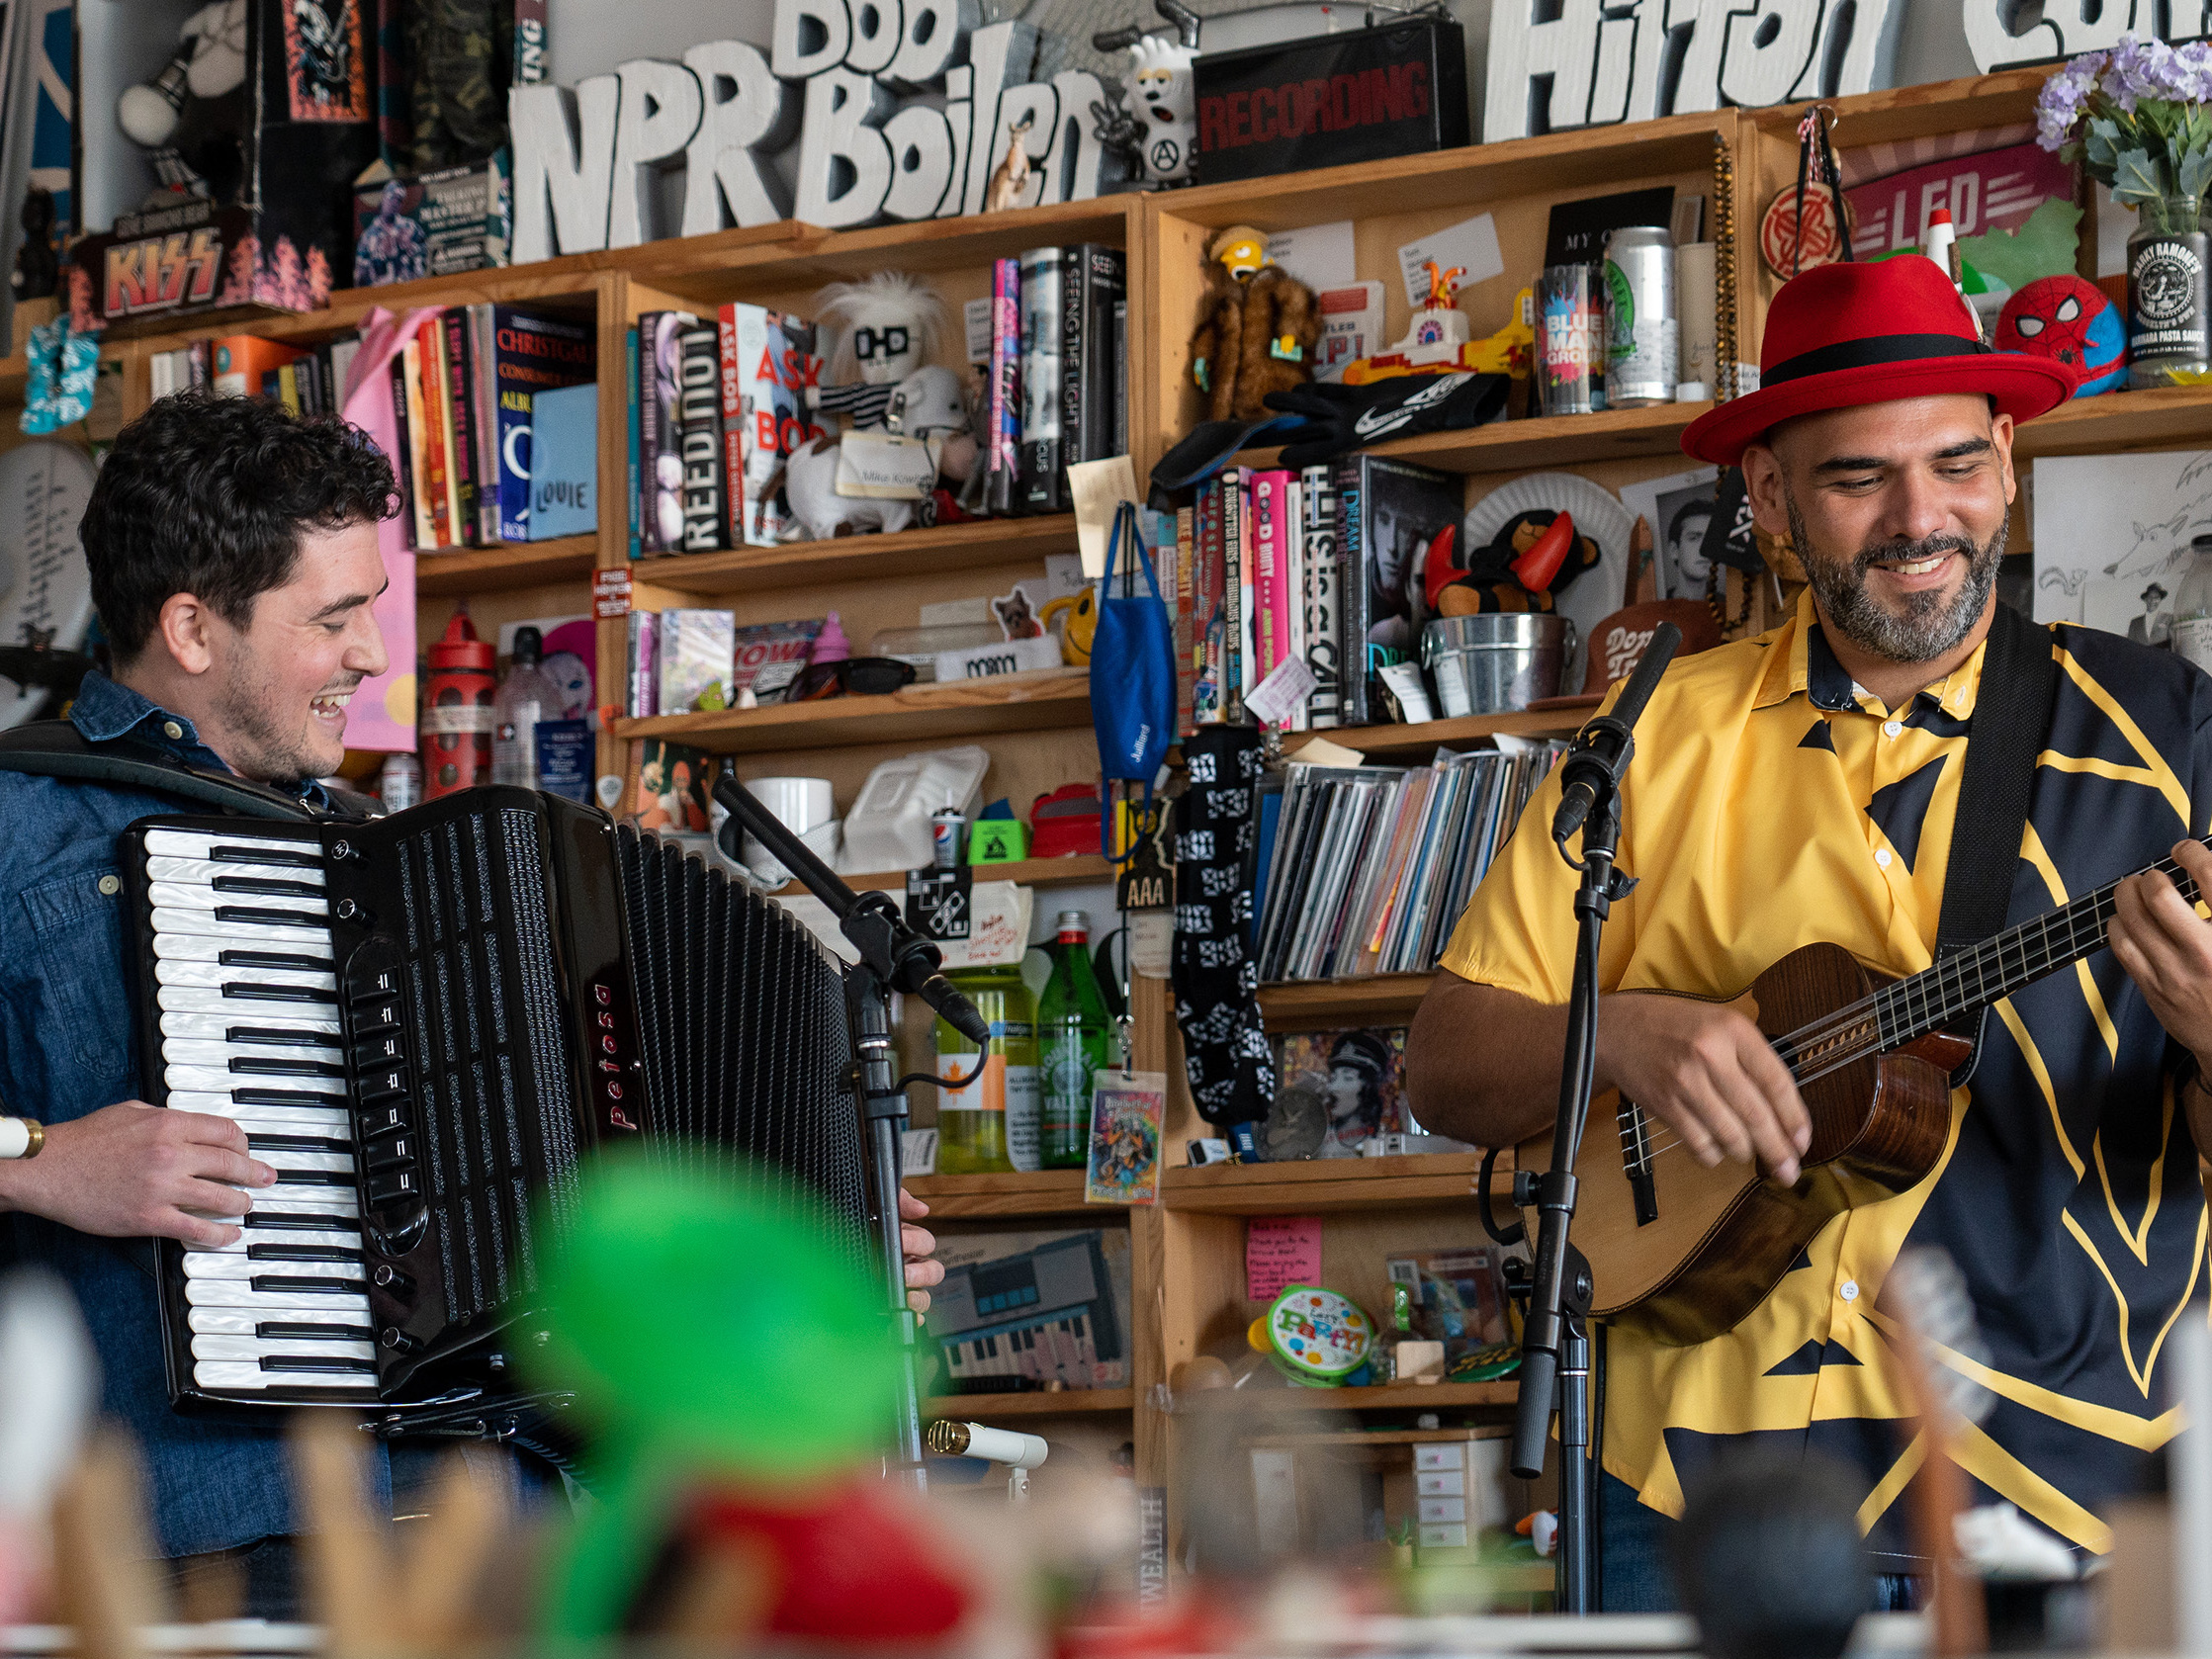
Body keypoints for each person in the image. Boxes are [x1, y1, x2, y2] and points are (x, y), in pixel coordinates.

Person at [0, 391, 943, 1612]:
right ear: (191, 626)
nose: (371, 656)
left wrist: (822, 1244)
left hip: (511, 1527)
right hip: (219, 1546)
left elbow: (565, 1223)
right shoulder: (22, 825)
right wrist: (37, 1157)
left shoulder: (399, 870)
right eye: (332, 618)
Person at [1407, 256, 2212, 1607]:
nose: (1921, 518)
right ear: (1771, 496)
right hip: (1687, 1478)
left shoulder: (2166, 734)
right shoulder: (1650, 729)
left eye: (1957, 462)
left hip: (2054, 1466)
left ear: (2008, 460)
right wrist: (1631, 1037)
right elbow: (1443, 1066)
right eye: (1858, 479)